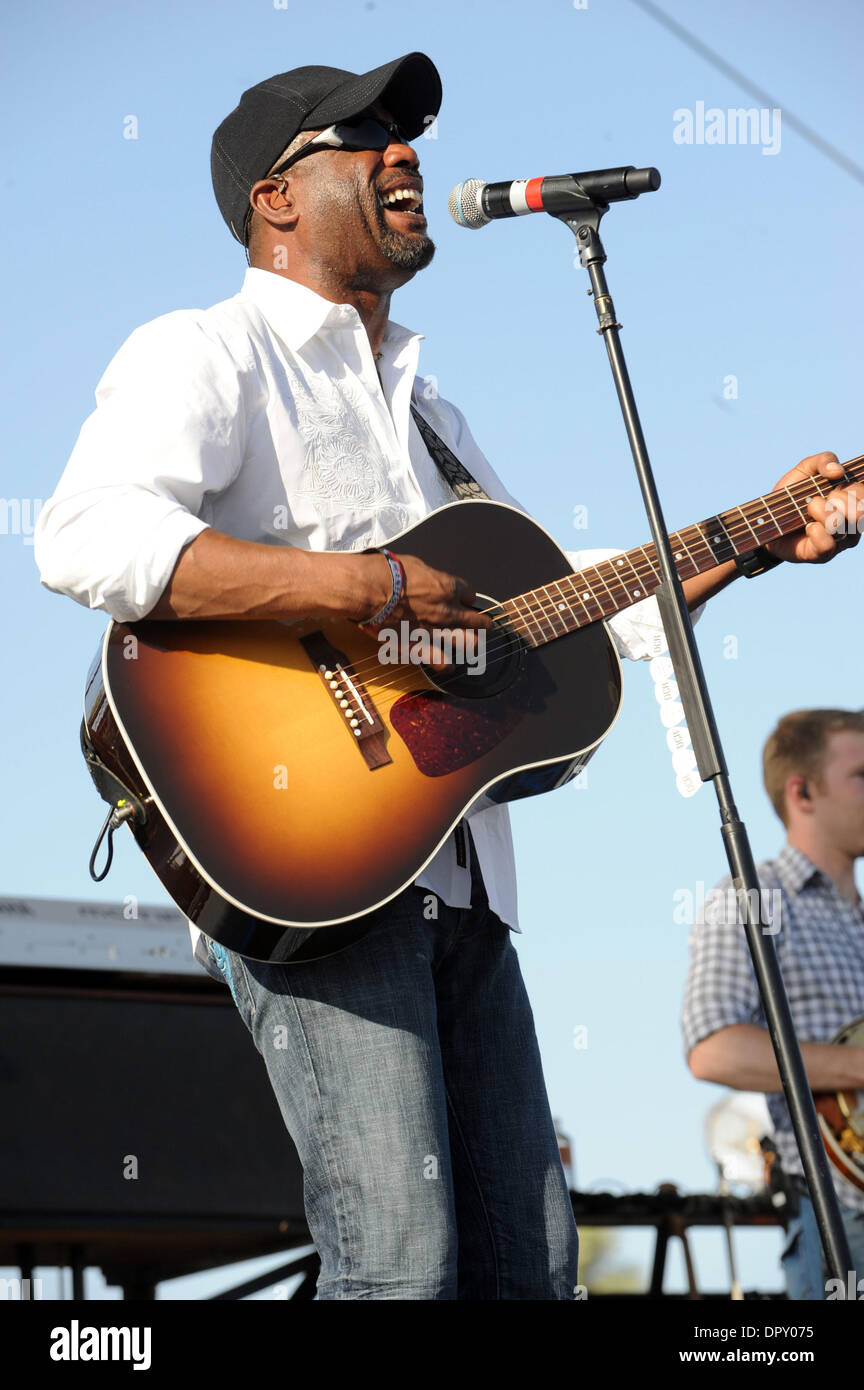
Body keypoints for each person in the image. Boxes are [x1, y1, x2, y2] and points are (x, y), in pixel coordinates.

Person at [35, 54, 863, 1299]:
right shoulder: (210, 352)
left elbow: (560, 607)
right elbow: (86, 537)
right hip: (313, 868)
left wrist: (751, 536)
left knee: (530, 1269)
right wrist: (364, 592)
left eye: (408, 128)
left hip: (465, 883)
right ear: (275, 196)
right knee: (402, 1264)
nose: (405, 149)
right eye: (365, 133)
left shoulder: (437, 415)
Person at [683, 709, 864, 1300]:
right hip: (837, 1215)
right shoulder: (753, 896)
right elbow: (713, 1049)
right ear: (802, 791)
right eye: (861, 774)